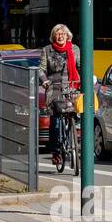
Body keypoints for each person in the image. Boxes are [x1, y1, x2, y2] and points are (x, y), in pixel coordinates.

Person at [42, 23, 79, 170]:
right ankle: (56, 151)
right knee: (56, 122)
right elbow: (41, 69)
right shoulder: (47, 50)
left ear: (67, 35)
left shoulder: (74, 49)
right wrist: (44, 80)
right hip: (54, 88)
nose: (60, 36)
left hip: (71, 86)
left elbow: (81, 66)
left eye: (63, 33)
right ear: (53, 36)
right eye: (58, 33)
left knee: (77, 114)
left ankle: (74, 140)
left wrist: (85, 80)